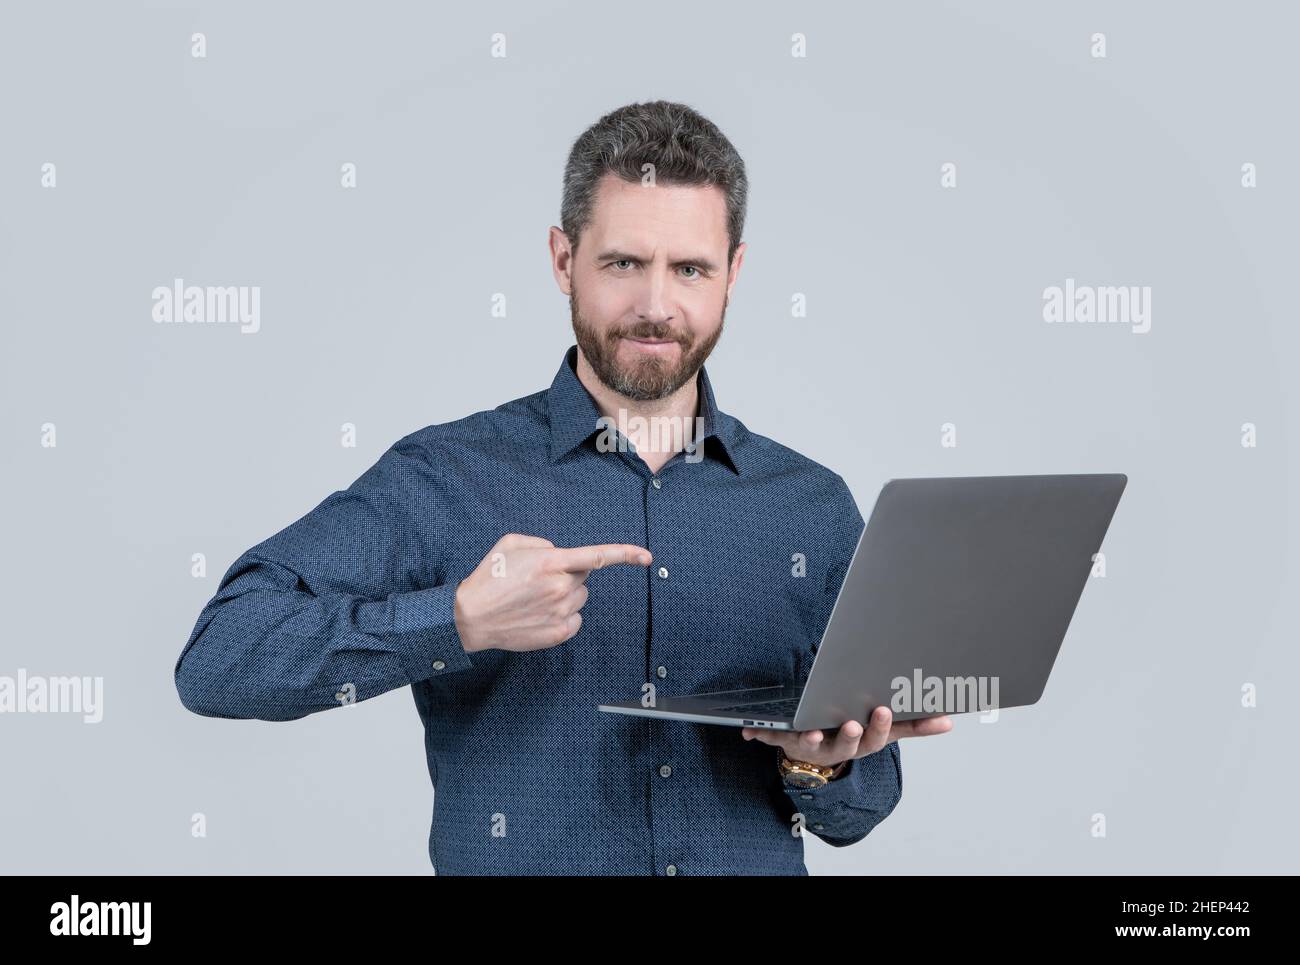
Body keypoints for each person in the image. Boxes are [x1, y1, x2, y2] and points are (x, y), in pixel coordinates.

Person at [174, 99, 951, 876]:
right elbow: (217, 661)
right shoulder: (447, 477)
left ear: (733, 274)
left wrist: (824, 764)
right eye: (622, 263)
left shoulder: (810, 505)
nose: (655, 305)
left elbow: (860, 810)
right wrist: (456, 620)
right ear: (561, 260)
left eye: (689, 268)